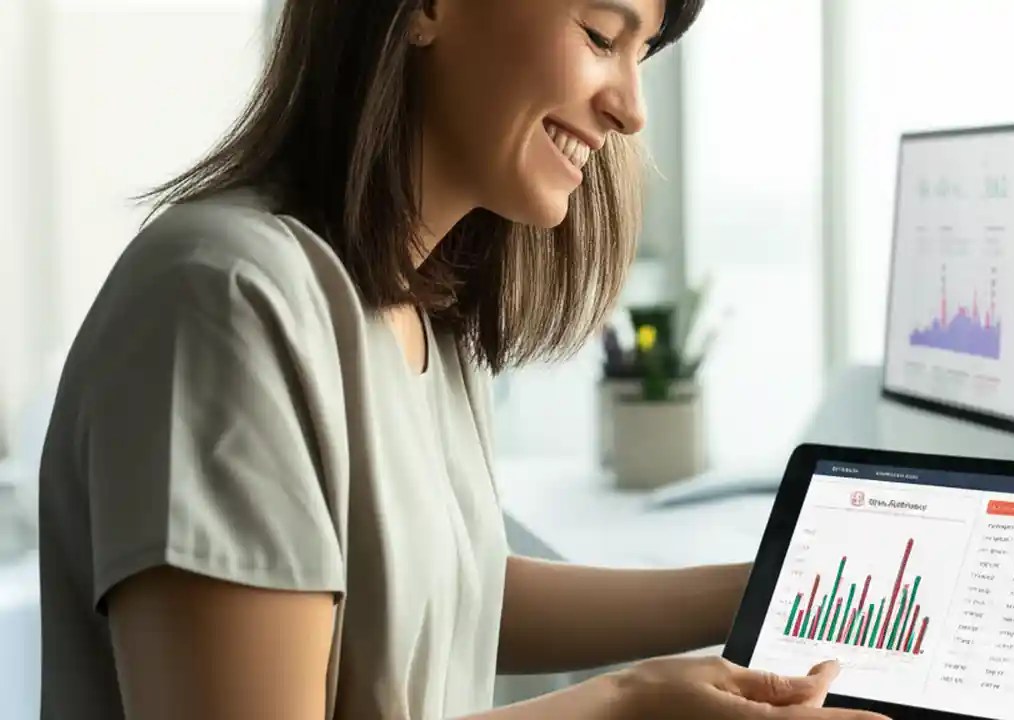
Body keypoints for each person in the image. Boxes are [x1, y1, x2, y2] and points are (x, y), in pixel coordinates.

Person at [38, 1, 891, 718]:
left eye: (644, 54)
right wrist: (625, 703)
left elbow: (448, 588)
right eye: (601, 36)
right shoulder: (226, 299)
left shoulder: (418, 306)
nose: (631, 107)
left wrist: (766, 589)